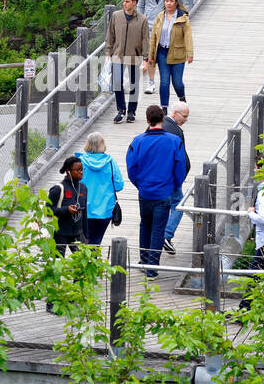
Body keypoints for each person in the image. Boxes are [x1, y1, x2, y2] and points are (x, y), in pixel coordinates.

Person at [125, 105, 187, 279]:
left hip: (145, 192)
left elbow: (131, 167)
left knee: (145, 225)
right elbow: (180, 167)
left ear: (147, 120)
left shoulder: (138, 141)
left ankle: (144, 260)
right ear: (163, 119)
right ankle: (152, 267)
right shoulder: (174, 141)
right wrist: (174, 184)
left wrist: (140, 184)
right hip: (164, 192)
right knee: (158, 229)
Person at [46, 156, 87, 313]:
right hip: (60, 233)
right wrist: (66, 210)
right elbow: (47, 209)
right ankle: (51, 303)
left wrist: (86, 234)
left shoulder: (83, 189)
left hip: (77, 233)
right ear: (69, 171)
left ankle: (74, 296)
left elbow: (85, 213)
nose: (81, 172)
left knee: (81, 264)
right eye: (78, 170)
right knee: (57, 266)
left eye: (82, 169)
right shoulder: (58, 189)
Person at [145, 0, 193, 110]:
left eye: (171, 1)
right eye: (167, 1)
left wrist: (190, 54)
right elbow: (153, 38)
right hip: (162, 53)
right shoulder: (160, 17)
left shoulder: (183, 18)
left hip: (177, 53)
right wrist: (150, 55)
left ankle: (182, 97)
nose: (169, 3)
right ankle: (164, 107)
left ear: (176, 3)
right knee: (164, 81)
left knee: (177, 82)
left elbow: (188, 36)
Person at [106, 0, 148, 123]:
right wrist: (108, 52)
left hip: (134, 55)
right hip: (118, 54)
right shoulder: (116, 16)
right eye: (123, 1)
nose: (124, 4)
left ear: (134, 2)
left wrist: (146, 58)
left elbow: (145, 39)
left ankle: (131, 111)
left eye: (127, 1)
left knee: (134, 84)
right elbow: (110, 35)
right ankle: (121, 110)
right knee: (117, 83)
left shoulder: (142, 19)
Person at [76, 133, 124, 246]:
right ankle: (94, 259)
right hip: (105, 208)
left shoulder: (80, 162)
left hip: (84, 208)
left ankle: (85, 261)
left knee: (83, 241)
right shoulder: (110, 162)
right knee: (96, 240)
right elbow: (119, 185)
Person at [139, 0, 176, 95]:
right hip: (148, 25)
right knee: (151, 54)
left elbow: (175, 1)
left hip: (166, 25)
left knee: (164, 54)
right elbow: (140, 6)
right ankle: (151, 82)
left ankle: (166, 80)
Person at [160, 101, 190, 255]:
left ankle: (161, 237)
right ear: (175, 113)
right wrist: (179, 178)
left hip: (156, 179)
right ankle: (166, 235)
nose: (186, 120)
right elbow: (179, 158)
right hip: (170, 178)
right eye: (184, 116)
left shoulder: (159, 126)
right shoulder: (175, 132)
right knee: (179, 204)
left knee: (161, 207)